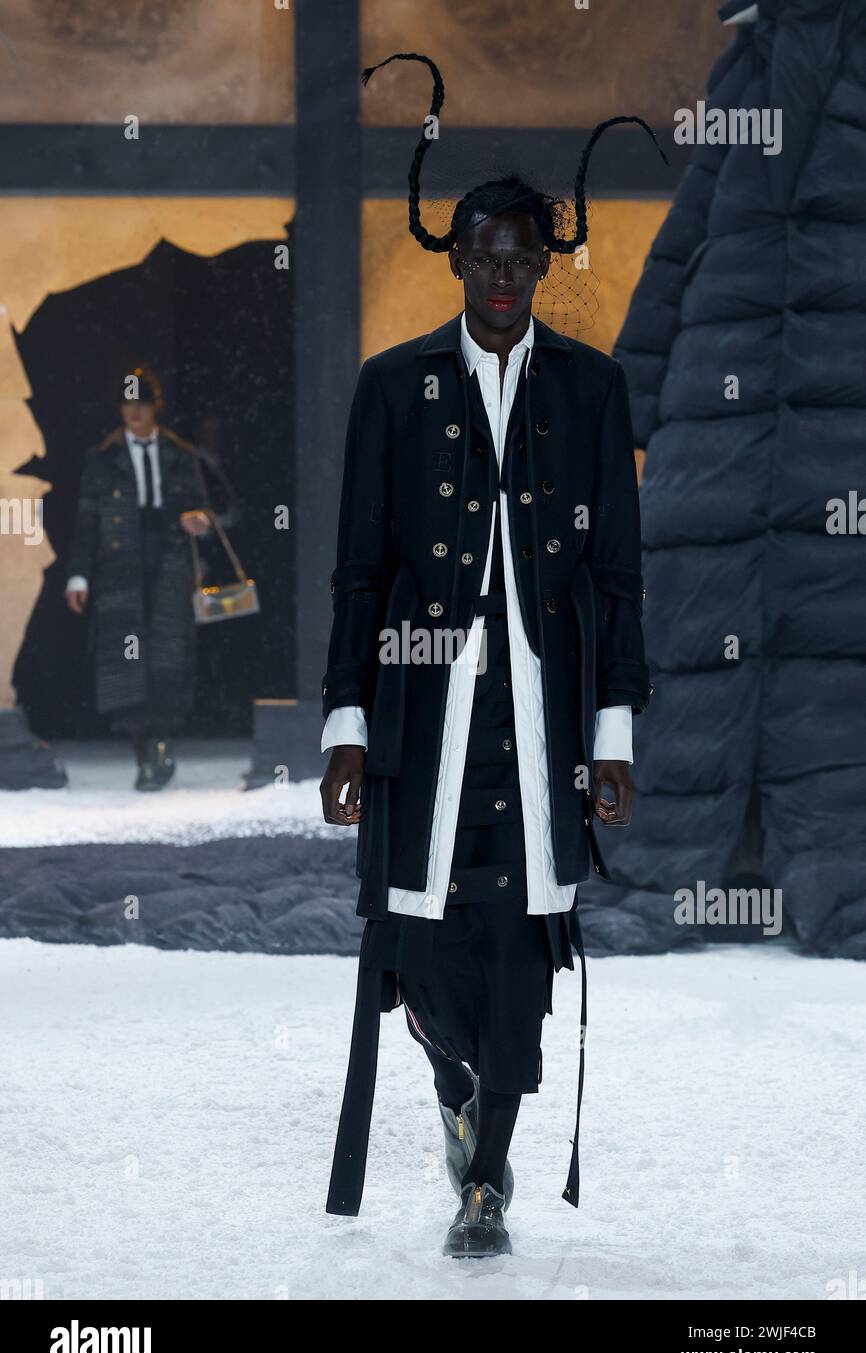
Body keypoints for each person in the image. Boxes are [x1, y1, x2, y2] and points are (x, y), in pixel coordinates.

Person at [320, 54, 659, 1258]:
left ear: (543, 263)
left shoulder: (593, 389)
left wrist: (613, 732)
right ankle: (456, 1088)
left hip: (548, 721)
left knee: (522, 944)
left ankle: (490, 1178)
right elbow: (360, 574)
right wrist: (345, 722)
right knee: (419, 948)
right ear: (455, 258)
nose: (505, 273)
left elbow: (616, 578)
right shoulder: (391, 390)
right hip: (423, 719)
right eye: (486, 254)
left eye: (525, 255)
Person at [66, 365, 211, 790]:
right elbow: (86, 523)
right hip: (119, 566)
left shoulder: (179, 453)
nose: (132, 412)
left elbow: (206, 506)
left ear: (154, 407)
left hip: (169, 556)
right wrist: (78, 576)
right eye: (126, 404)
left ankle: (161, 741)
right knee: (123, 659)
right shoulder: (103, 457)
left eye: (140, 403)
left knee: (167, 651)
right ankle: (143, 751)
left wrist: (199, 519)